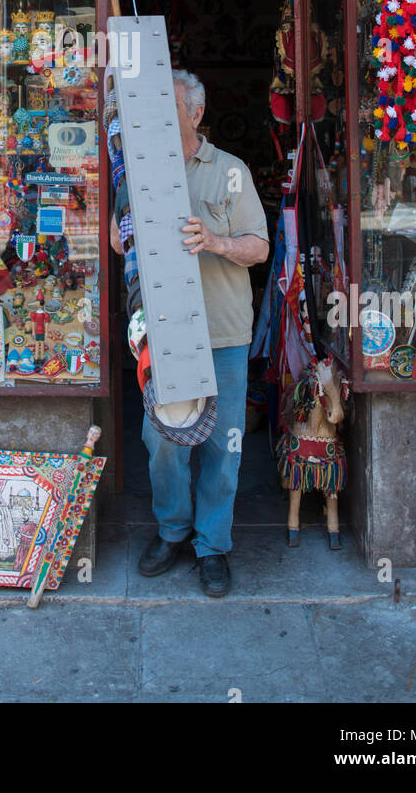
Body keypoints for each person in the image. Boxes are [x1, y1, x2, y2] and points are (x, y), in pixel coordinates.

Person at [111, 69, 269, 597]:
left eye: (169, 105)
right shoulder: (142, 169)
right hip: (162, 332)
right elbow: (118, 243)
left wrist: (217, 242)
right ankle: (172, 530)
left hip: (223, 331)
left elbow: (260, 248)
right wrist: (124, 206)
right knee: (160, 441)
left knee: (224, 448)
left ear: (196, 113)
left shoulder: (230, 172)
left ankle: (212, 545)